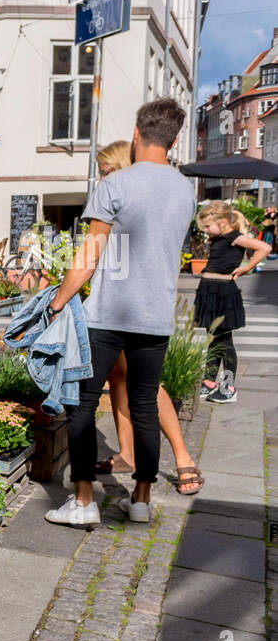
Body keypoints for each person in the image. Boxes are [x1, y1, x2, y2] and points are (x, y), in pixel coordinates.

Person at [45, 98, 197, 528]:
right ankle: (142, 500)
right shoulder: (185, 190)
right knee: (145, 405)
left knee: (83, 403)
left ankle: (83, 500)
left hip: (107, 317)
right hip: (155, 318)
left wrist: (58, 303)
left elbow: (90, 254)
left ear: (136, 133)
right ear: (174, 138)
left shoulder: (116, 184)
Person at [89, 140, 203, 495]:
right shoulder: (120, 202)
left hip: (135, 306)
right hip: (117, 301)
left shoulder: (136, 201)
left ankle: (182, 457)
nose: (101, 178)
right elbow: (115, 256)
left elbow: (131, 257)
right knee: (119, 376)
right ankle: (127, 453)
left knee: (146, 388)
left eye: (106, 171)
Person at [192, 201, 272, 404]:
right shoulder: (219, 237)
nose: (206, 231)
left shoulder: (235, 237)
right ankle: (209, 381)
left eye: (208, 226)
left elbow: (264, 247)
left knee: (225, 341)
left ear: (222, 221)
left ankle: (228, 387)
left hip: (223, 292)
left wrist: (246, 268)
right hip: (209, 291)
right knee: (214, 338)